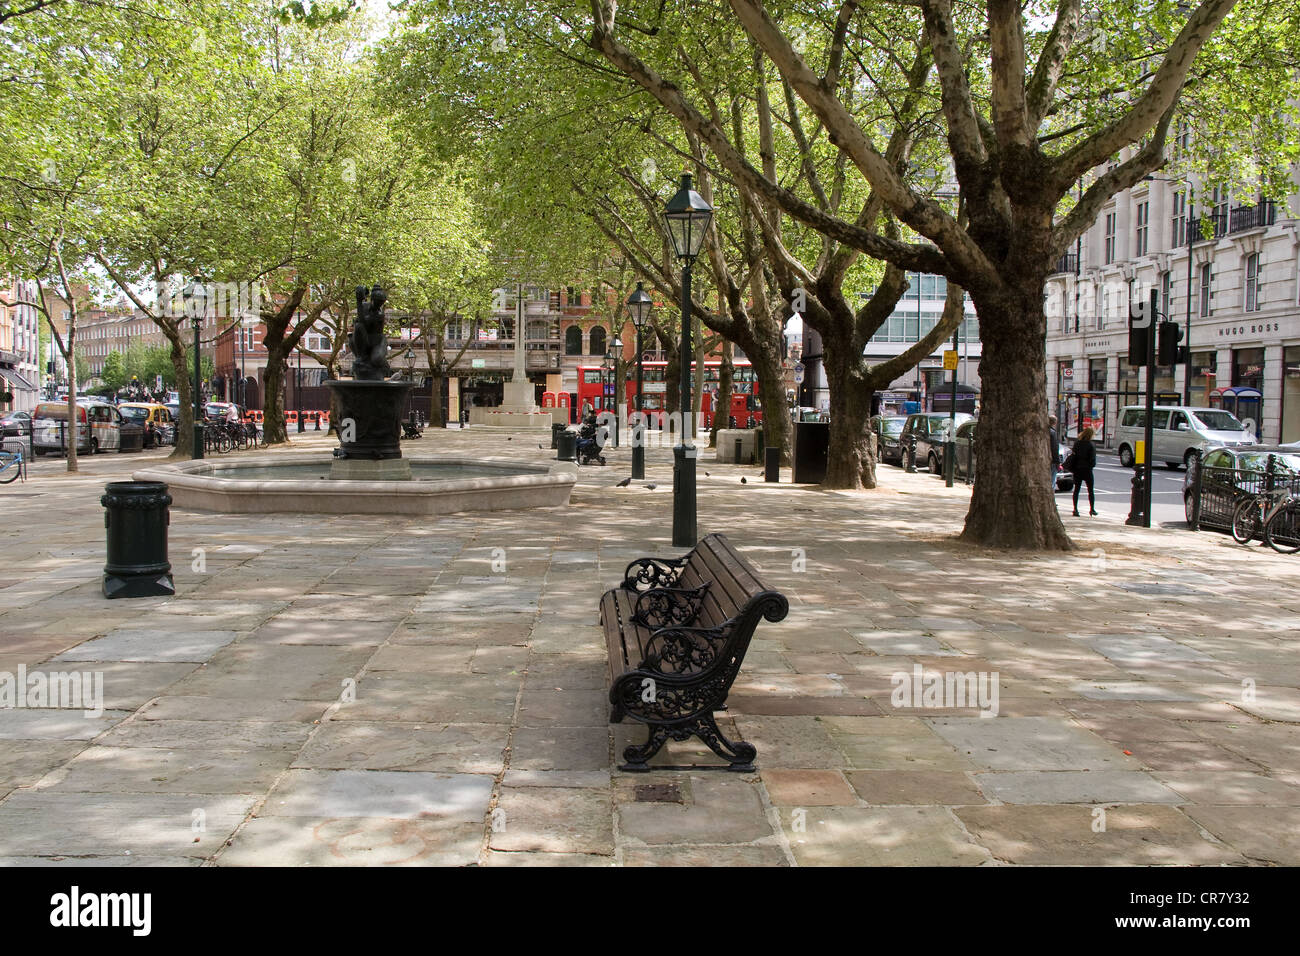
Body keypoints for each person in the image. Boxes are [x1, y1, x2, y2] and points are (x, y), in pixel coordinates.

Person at [1070, 426, 1098, 517]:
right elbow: (1092, 459)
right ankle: (1092, 509)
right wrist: (1091, 465)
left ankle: (1075, 509)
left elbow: (1073, 455)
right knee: (1090, 490)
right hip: (1087, 470)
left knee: (1076, 490)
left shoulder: (1077, 443)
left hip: (1077, 469)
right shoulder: (1091, 445)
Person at [1048, 415, 1059, 488]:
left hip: (1046, 458)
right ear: (1055, 423)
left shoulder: (1045, 431)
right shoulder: (1052, 432)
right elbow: (1054, 447)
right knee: (1052, 480)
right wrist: (1057, 461)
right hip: (1052, 459)